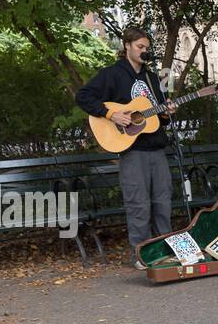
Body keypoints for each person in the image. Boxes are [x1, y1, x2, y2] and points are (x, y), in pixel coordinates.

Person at [75, 26, 178, 268]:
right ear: (127, 47)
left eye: (147, 48)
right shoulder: (112, 75)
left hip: (157, 149)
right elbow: (83, 96)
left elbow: (158, 118)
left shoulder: (153, 79)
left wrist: (168, 111)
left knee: (163, 201)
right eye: (140, 47)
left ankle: (164, 251)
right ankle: (141, 254)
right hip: (133, 151)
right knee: (138, 203)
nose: (144, 51)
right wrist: (111, 114)